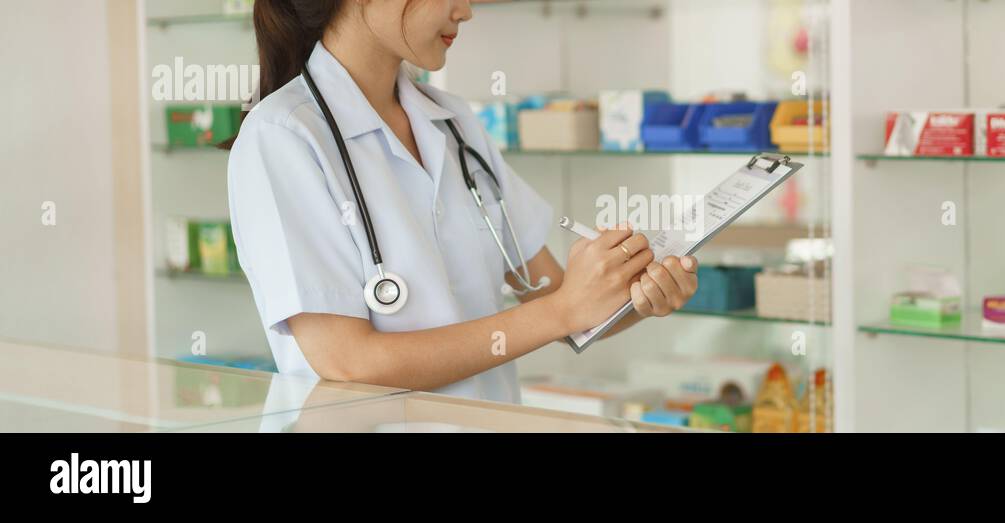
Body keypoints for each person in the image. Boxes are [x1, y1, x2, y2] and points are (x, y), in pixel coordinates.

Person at [227, 0, 699, 403]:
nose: (466, 10)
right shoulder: (283, 135)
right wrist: (563, 311)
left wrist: (638, 294)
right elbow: (348, 361)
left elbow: (553, 295)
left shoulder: (454, 123)